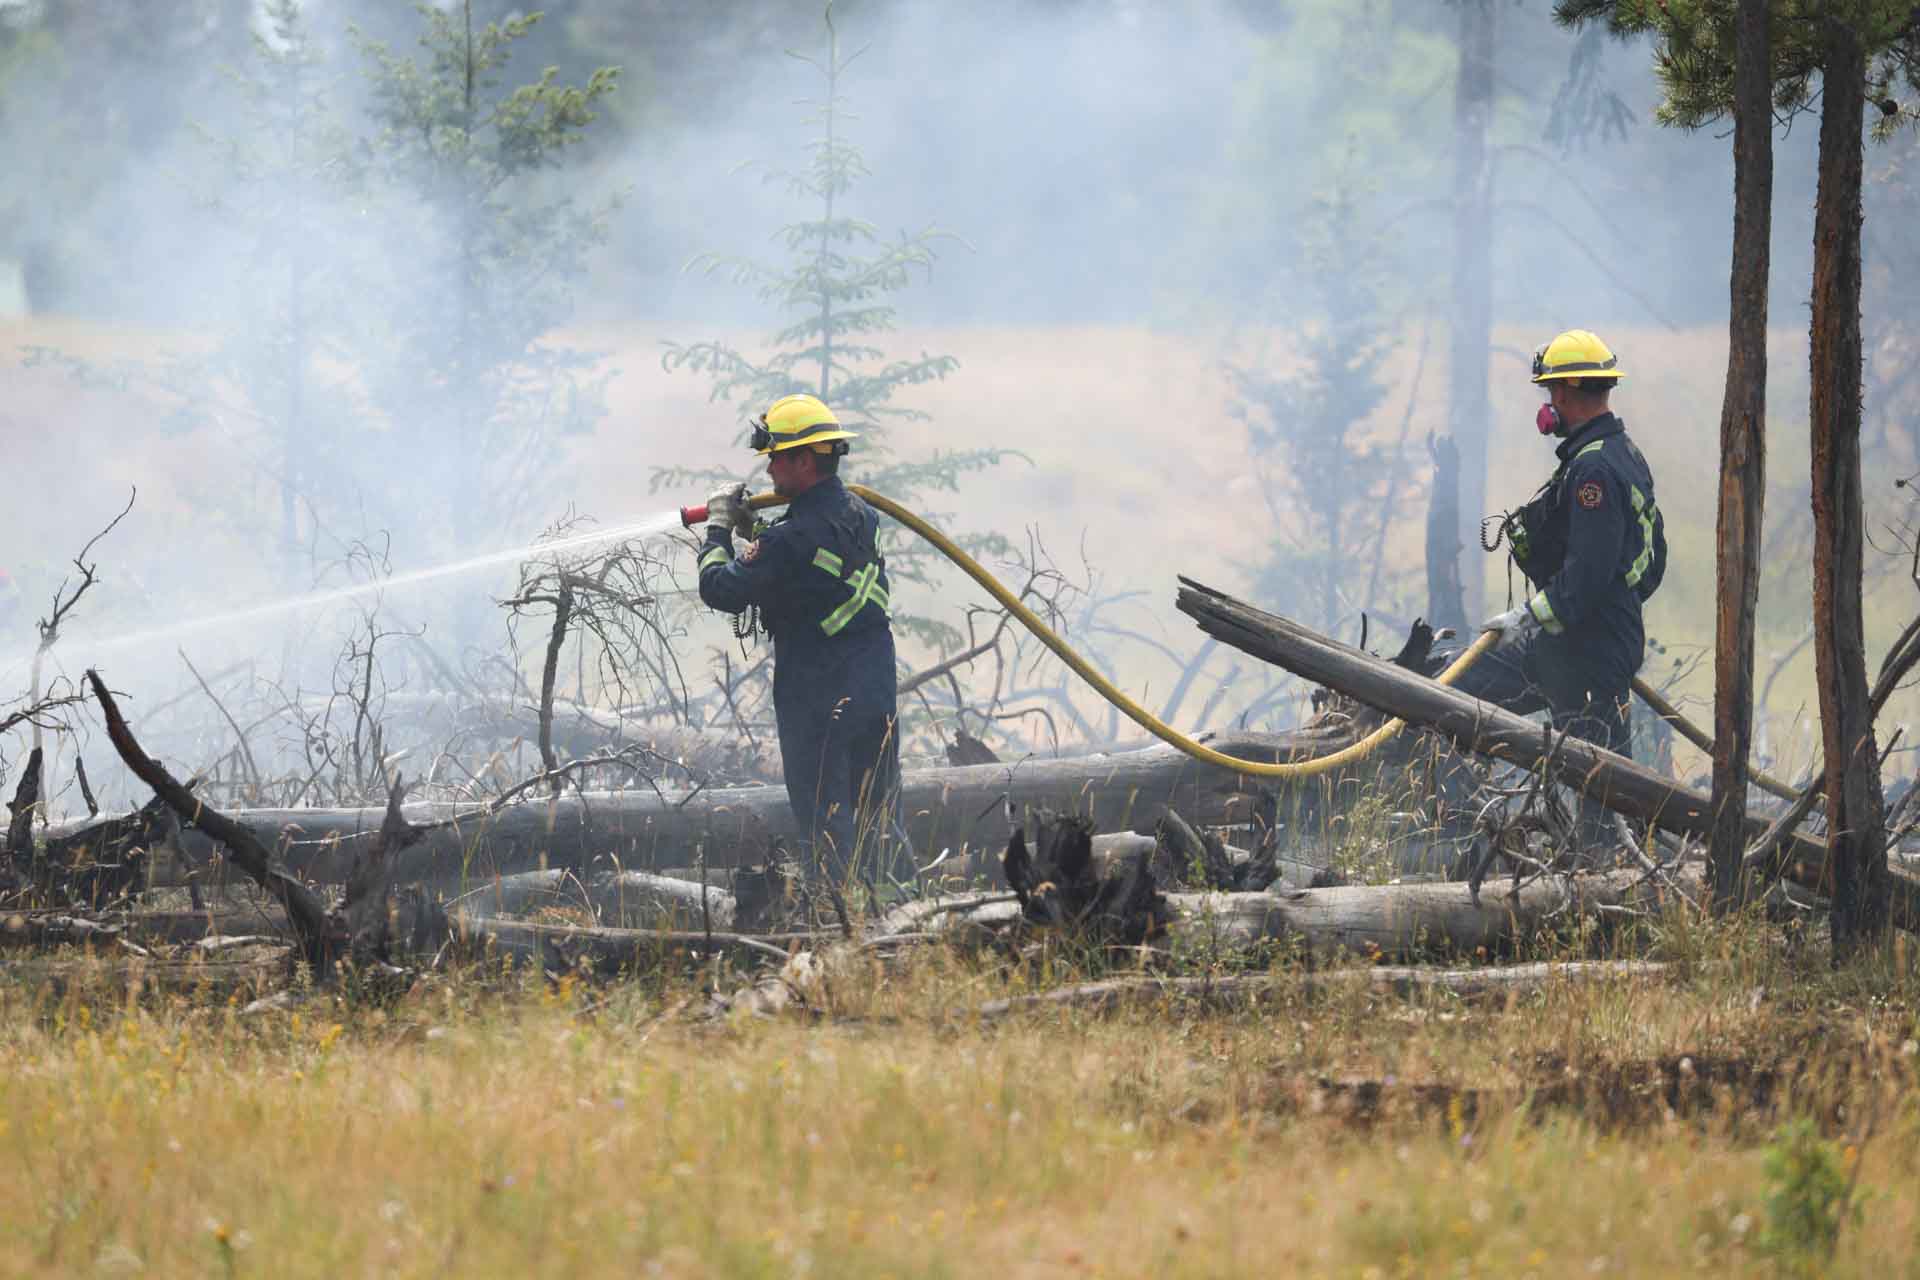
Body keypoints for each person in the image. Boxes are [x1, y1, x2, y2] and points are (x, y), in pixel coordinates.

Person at [1454, 329, 1667, 850]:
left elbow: (1590, 573)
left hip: (1587, 652)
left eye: (1551, 390)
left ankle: (1612, 875)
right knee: (1456, 691)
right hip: (1576, 642)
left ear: (1569, 391)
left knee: (1600, 786)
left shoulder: (1593, 470)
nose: (1549, 403)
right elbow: (1650, 559)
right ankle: (1460, 819)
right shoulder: (1619, 453)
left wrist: (1527, 615)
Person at [696, 393, 904, 883]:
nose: (769, 469)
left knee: (825, 825)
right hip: (875, 688)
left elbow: (719, 588)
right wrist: (757, 531)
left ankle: (837, 914)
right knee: (880, 819)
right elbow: (811, 562)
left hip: (819, 700)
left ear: (805, 460)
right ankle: (899, 906)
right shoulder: (861, 514)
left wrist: (719, 531)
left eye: (776, 457)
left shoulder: (786, 541)